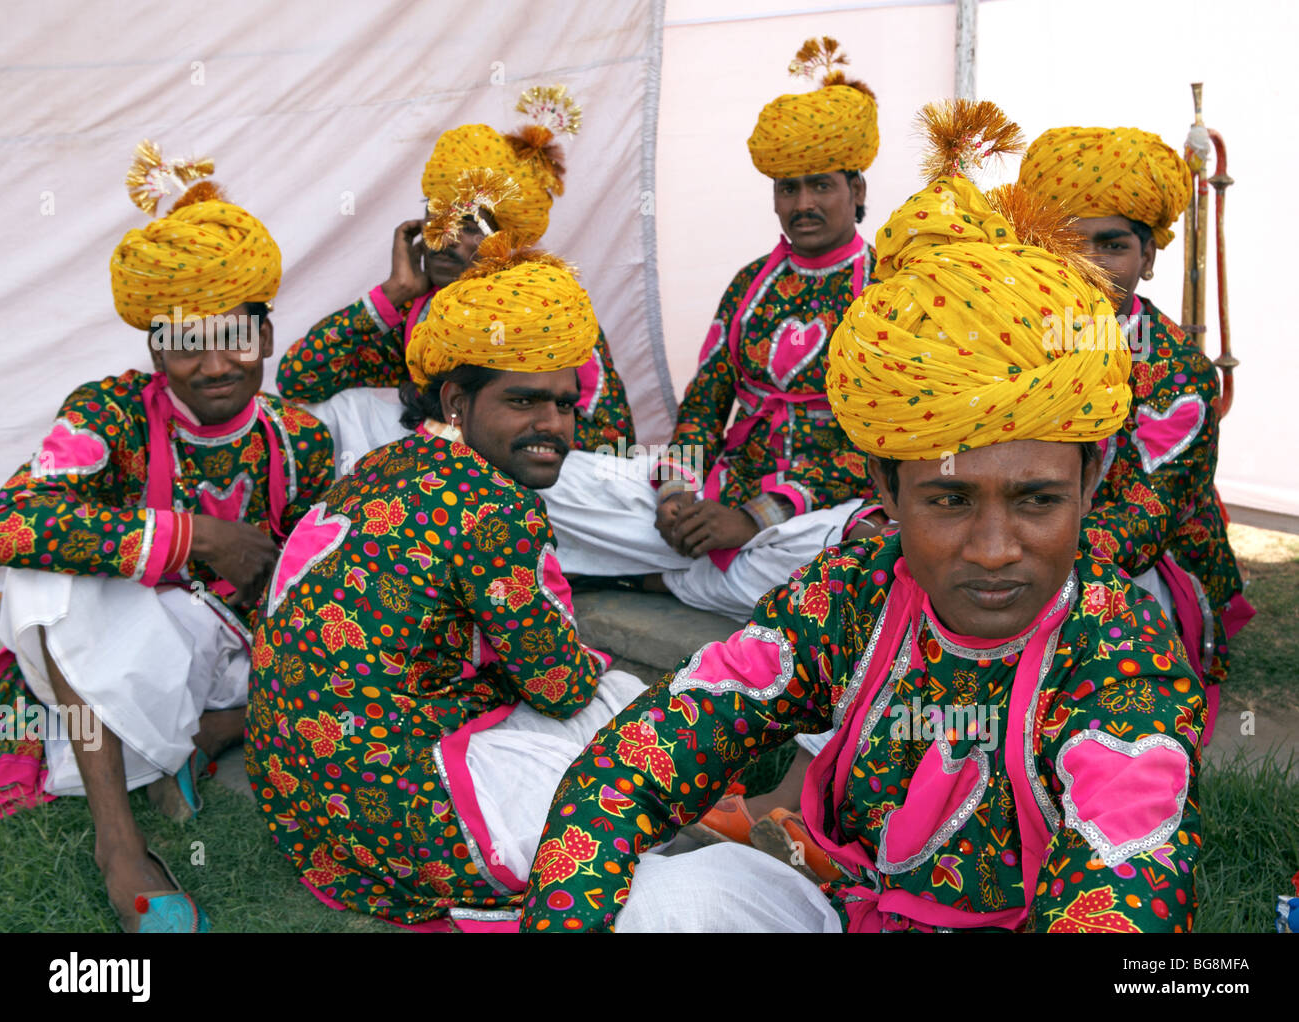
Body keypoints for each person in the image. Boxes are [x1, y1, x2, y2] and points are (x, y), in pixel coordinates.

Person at [518, 102, 1206, 933]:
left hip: (795, 521)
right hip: (845, 898)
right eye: (949, 500)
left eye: (1036, 499)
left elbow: (1125, 874)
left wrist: (764, 510)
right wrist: (680, 491)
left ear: (1089, 479)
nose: (993, 551)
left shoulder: (1120, 654)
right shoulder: (855, 586)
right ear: (886, 485)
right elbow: (636, 761)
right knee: (665, 903)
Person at [246, 210, 645, 931]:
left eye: (563, 404)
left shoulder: (384, 461)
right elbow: (559, 685)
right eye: (522, 400)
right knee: (623, 714)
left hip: (300, 810)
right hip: (393, 820)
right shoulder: (494, 506)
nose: (552, 425)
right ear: (459, 402)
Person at [0, 143, 334, 932]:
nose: (215, 365)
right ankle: (121, 843)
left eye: (236, 338)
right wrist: (199, 538)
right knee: (35, 577)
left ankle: (201, 740)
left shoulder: (300, 438)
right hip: (130, 642)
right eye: (187, 342)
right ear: (155, 349)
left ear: (267, 335)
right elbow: (12, 517)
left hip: (245, 664)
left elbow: (318, 576)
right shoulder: (111, 412)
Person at [539, 38, 885, 620]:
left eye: (820, 184)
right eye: (787, 187)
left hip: (815, 510)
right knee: (559, 477)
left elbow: (880, 439)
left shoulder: (887, 289)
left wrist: (754, 518)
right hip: (722, 490)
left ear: (857, 191)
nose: (802, 203)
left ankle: (660, 579)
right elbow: (703, 407)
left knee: (867, 548)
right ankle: (688, 559)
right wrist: (678, 494)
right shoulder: (750, 285)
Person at [1018, 126, 1252, 730]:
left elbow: (1140, 522)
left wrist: (1005, 560)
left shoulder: (1179, 373)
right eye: (1069, 242)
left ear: (1147, 258)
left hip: (1140, 564)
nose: (1089, 265)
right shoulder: (1010, 341)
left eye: (1112, 245)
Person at [275, 86, 635, 472]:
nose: (443, 237)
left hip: (533, 478)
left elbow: (617, 443)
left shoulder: (551, 312)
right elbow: (299, 379)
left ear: (507, 240)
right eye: (435, 218)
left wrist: (497, 430)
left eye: (468, 225)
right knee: (340, 408)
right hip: (437, 482)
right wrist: (394, 292)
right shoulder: (422, 316)